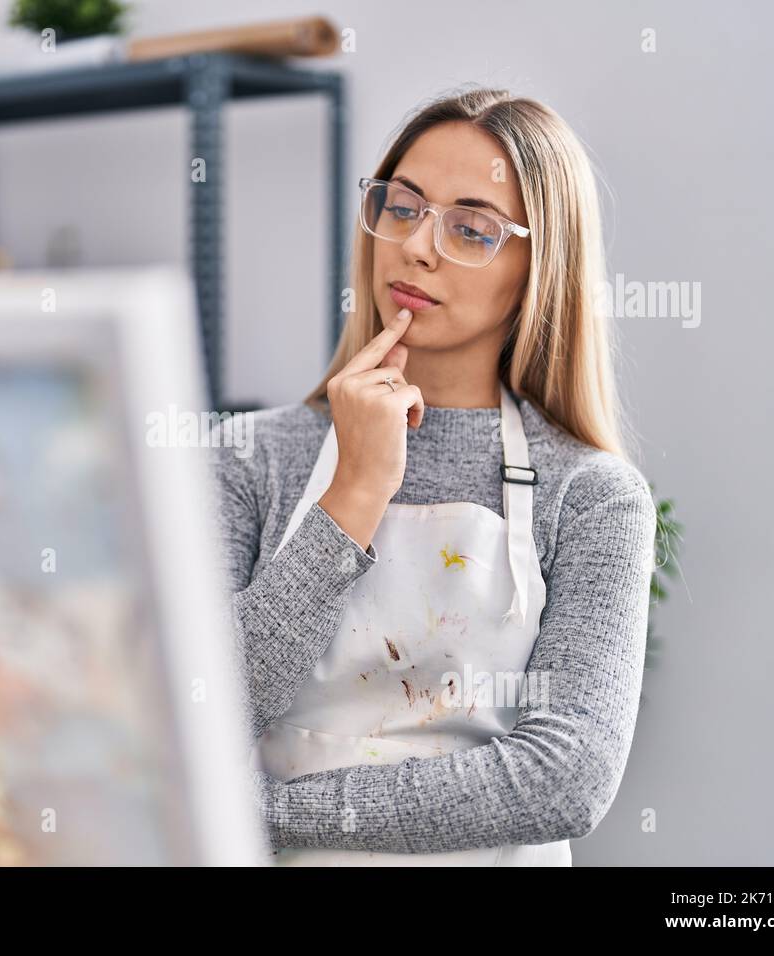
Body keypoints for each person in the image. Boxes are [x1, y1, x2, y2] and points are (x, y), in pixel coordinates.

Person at [209, 87, 659, 865]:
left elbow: (567, 779)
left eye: (471, 229)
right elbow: (199, 708)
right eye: (403, 206)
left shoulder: (592, 497)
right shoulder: (251, 456)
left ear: (541, 267)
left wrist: (264, 816)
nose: (418, 246)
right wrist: (353, 493)